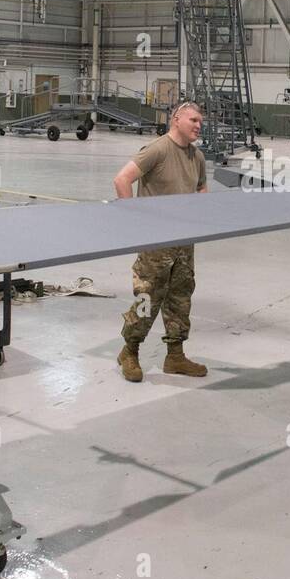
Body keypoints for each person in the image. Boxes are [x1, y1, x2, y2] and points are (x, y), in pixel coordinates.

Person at [112, 101, 209, 382]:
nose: (198, 125)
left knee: (181, 297)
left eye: (200, 121)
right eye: (193, 120)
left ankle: (175, 357)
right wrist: (136, 222)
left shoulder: (197, 156)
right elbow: (122, 179)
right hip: (156, 243)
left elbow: (202, 187)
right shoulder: (157, 149)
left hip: (183, 241)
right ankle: (129, 351)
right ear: (176, 120)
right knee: (147, 298)